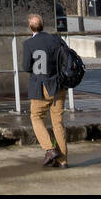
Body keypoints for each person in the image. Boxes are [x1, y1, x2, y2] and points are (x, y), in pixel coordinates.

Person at [21, 12, 69, 168]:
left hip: (40, 88)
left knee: (36, 116)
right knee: (58, 123)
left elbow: (26, 67)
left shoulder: (29, 44)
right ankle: (63, 161)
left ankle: (49, 149)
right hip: (58, 87)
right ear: (43, 25)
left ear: (30, 27)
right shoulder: (56, 40)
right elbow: (66, 58)